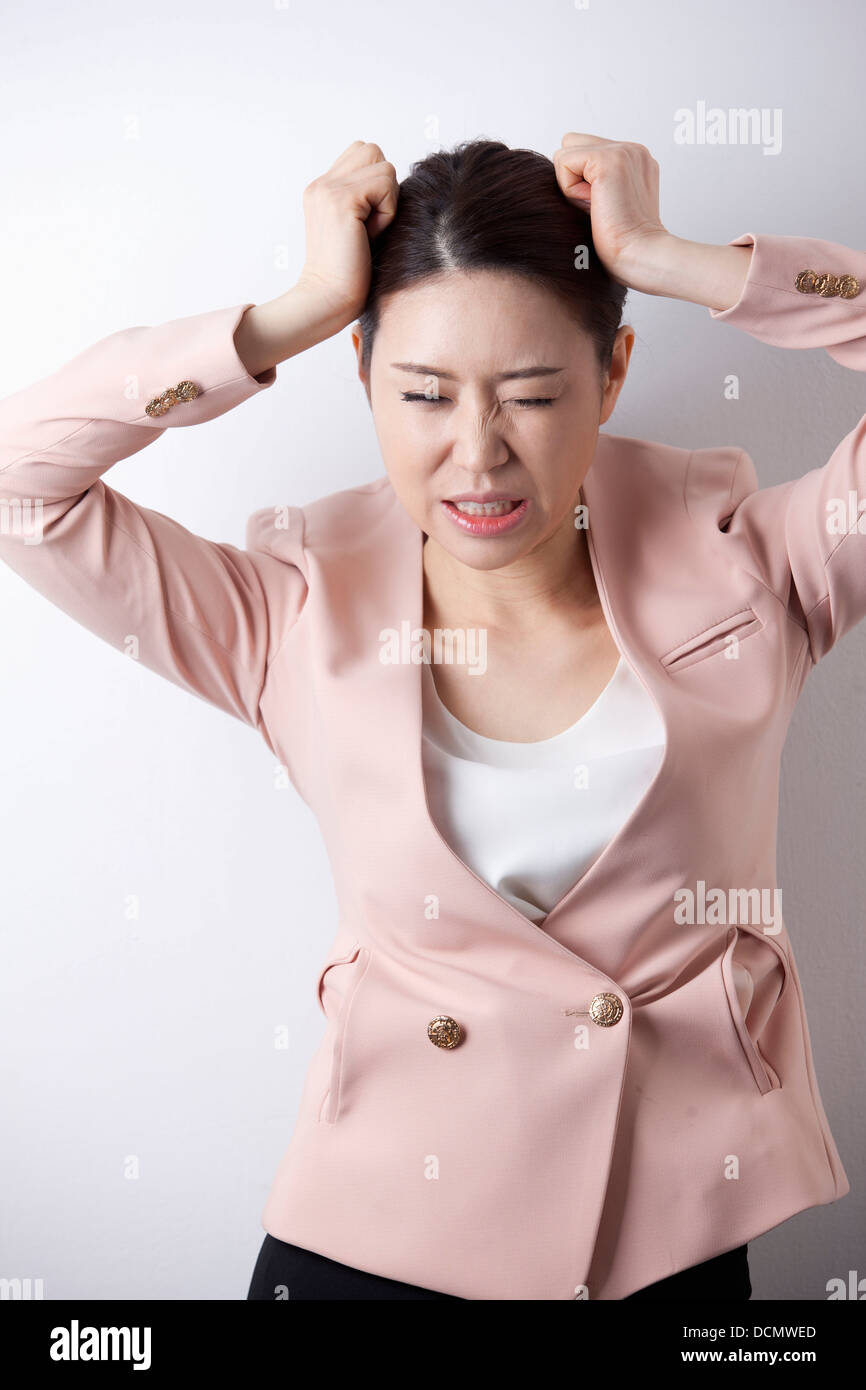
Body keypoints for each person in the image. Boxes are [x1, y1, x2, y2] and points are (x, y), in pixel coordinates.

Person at [1, 134, 860, 1300]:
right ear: (359, 374)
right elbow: (20, 481)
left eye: (532, 394)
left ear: (611, 376)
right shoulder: (288, 618)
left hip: (669, 1239)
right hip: (366, 1250)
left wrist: (678, 259)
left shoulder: (757, 572)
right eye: (422, 394)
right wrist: (284, 314)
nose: (477, 455)